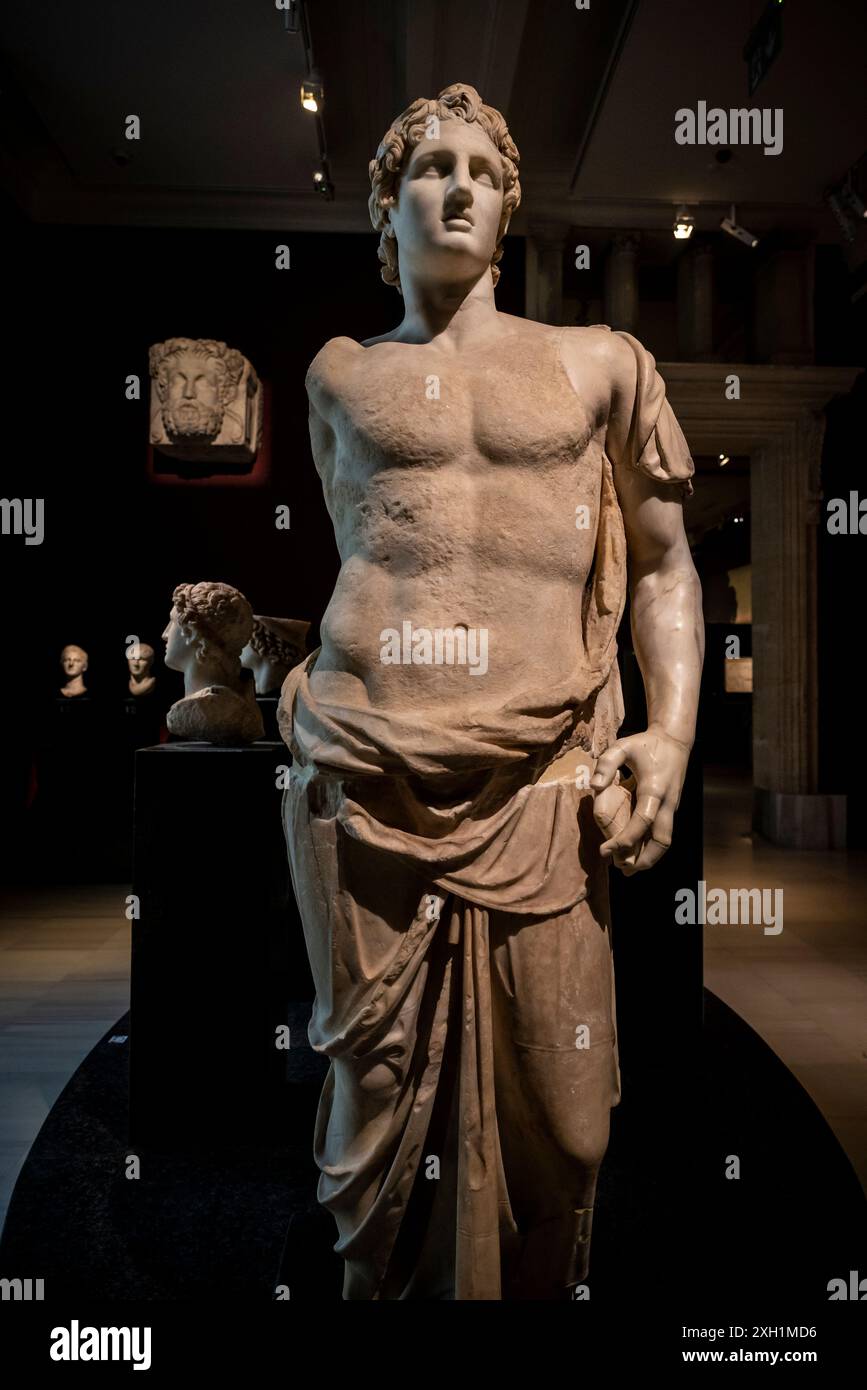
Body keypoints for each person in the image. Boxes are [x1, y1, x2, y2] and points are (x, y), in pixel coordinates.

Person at [278, 83, 703, 1300]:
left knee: (571, 1128)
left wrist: (670, 732)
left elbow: (667, 565)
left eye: (482, 170)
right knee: (373, 1088)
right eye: (429, 168)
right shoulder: (338, 377)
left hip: (541, 779)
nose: (457, 186)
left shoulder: (599, 367)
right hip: (360, 763)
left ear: (509, 208)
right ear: (387, 203)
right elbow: (359, 542)